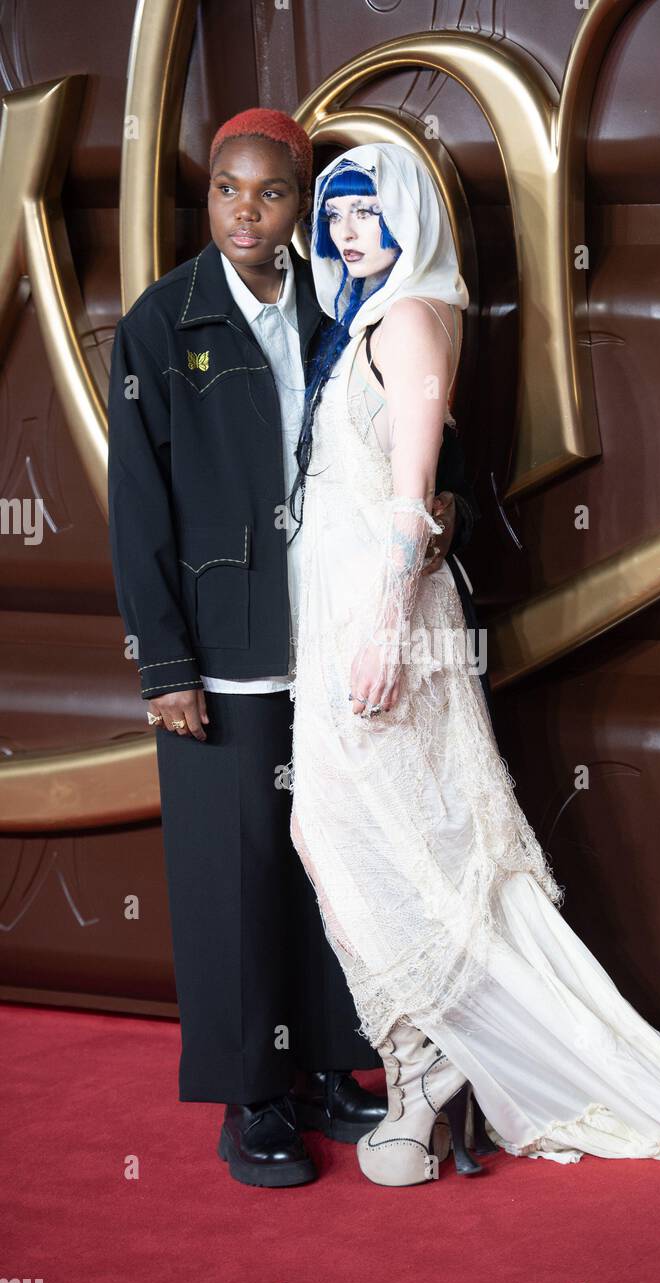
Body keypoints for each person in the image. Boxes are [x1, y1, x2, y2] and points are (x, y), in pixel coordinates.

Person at [285, 140, 660, 1202]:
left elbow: (413, 496)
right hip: (344, 621)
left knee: (396, 846)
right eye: (335, 219)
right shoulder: (372, 322)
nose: (347, 233)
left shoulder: (408, 318)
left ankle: (427, 1071)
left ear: (405, 219)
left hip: (385, 626)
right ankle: (427, 1064)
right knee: (362, 840)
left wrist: (374, 627)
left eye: (365, 211)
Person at [106, 110, 482, 1188]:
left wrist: (438, 512)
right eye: (227, 190)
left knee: (330, 863)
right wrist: (163, 666)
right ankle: (250, 1098)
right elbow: (137, 507)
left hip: (327, 641)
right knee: (233, 875)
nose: (245, 212)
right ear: (208, 195)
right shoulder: (161, 321)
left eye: (270, 193)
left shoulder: (340, 301)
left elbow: (404, 448)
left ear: (300, 200)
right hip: (223, 654)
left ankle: (325, 1068)